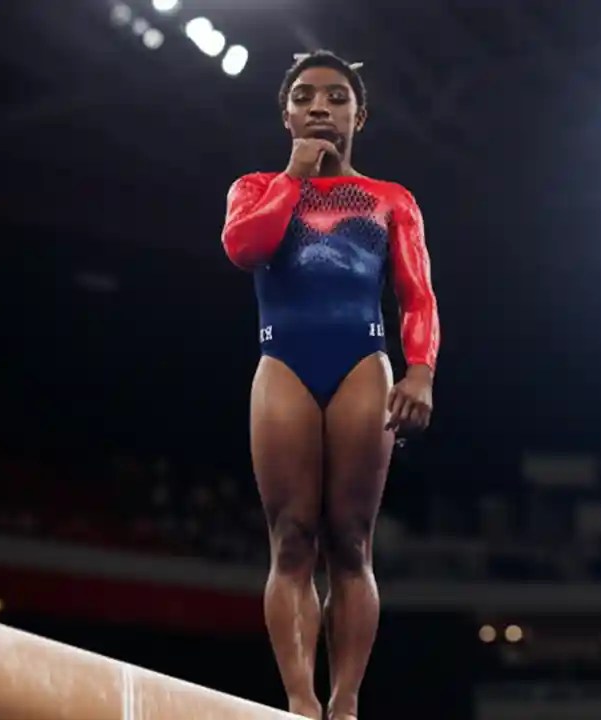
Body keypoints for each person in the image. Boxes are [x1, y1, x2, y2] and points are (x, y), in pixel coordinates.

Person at [220, 50, 441, 720]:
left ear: (360, 114)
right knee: (291, 537)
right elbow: (245, 248)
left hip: (362, 363)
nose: (321, 106)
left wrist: (422, 371)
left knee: (350, 539)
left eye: (337, 97)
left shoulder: (391, 199)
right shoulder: (254, 186)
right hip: (283, 360)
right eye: (306, 96)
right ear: (286, 112)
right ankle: (299, 699)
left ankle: (344, 703)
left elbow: (417, 294)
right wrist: (293, 175)